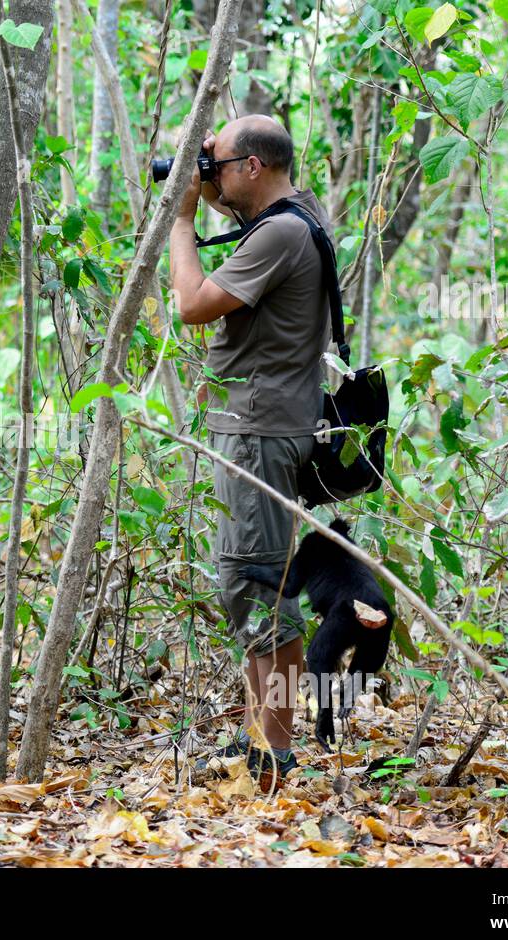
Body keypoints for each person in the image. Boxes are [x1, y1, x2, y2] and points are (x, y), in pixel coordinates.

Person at [167, 115, 335, 782]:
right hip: (271, 421)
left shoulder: (282, 234)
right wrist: (207, 174)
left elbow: (194, 304)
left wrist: (182, 221)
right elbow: (240, 197)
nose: (213, 176)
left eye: (222, 163)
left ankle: (277, 747)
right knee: (254, 576)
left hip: (260, 428)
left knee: (256, 585)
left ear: (254, 167)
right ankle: (258, 736)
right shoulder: (298, 211)